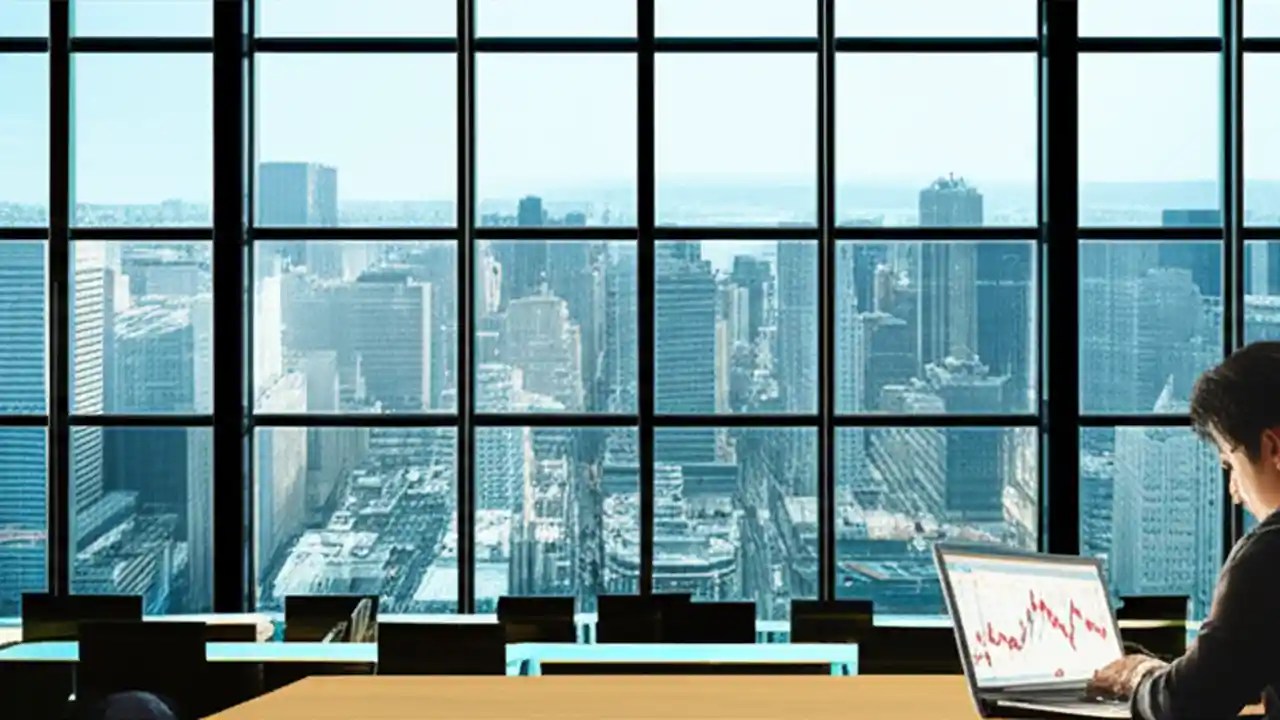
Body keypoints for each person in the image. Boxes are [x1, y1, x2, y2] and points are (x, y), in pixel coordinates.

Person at [1087, 341, 1280, 719]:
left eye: (1230, 464)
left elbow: (1188, 705)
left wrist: (1139, 677)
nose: (1234, 493)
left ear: (1273, 448)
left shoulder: (1269, 554)